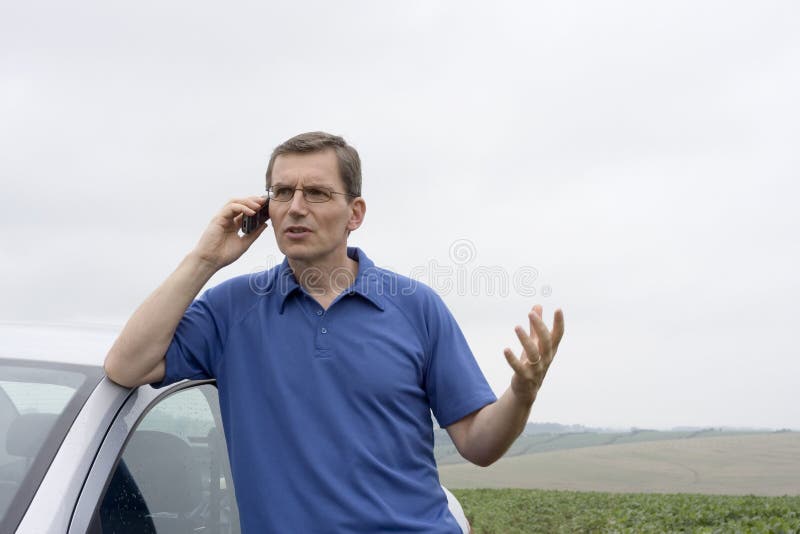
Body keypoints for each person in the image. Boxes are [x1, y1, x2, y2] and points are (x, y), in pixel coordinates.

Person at [104, 131, 565, 533]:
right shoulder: (231, 309)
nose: (296, 207)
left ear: (355, 212)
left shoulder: (415, 307)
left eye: (317, 193)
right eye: (282, 192)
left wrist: (521, 394)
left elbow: (478, 444)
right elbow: (127, 366)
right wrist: (205, 259)